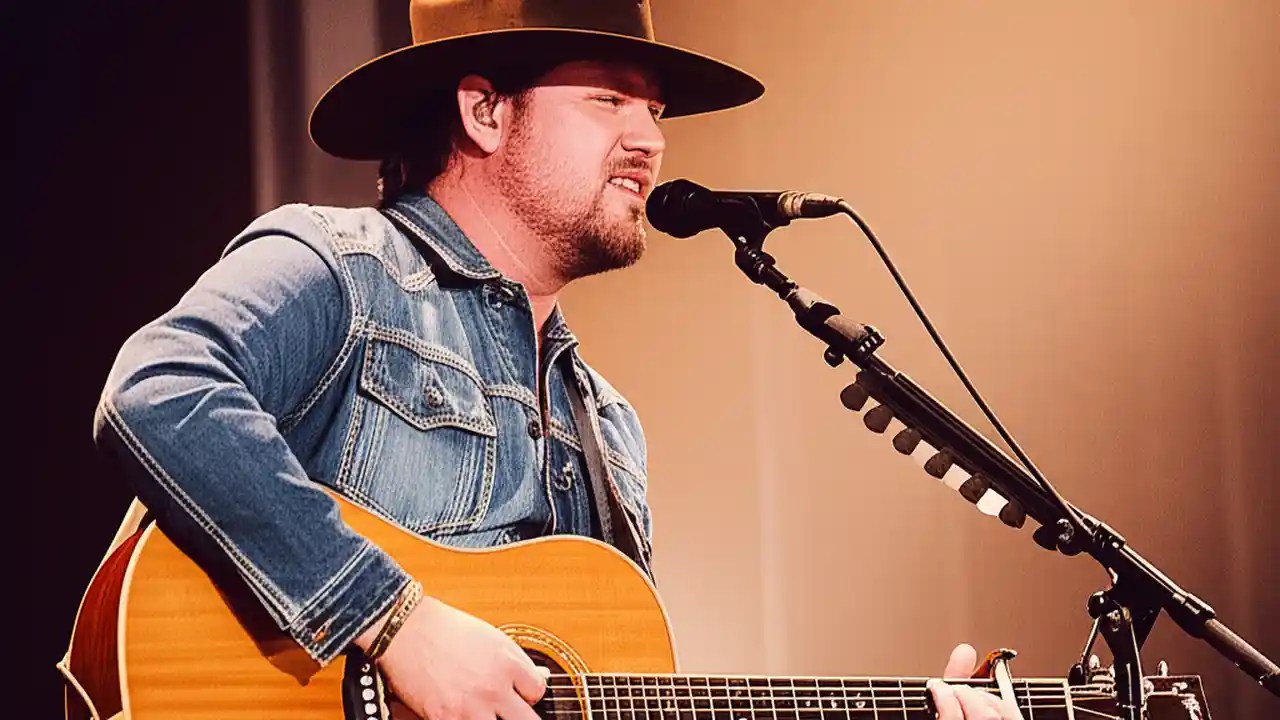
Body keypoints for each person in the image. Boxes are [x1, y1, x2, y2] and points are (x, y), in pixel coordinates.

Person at [90, 2, 1018, 718]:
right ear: (484, 112)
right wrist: (394, 621)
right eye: (609, 99)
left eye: (654, 110)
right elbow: (161, 389)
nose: (651, 140)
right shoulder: (344, 267)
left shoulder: (608, 428)